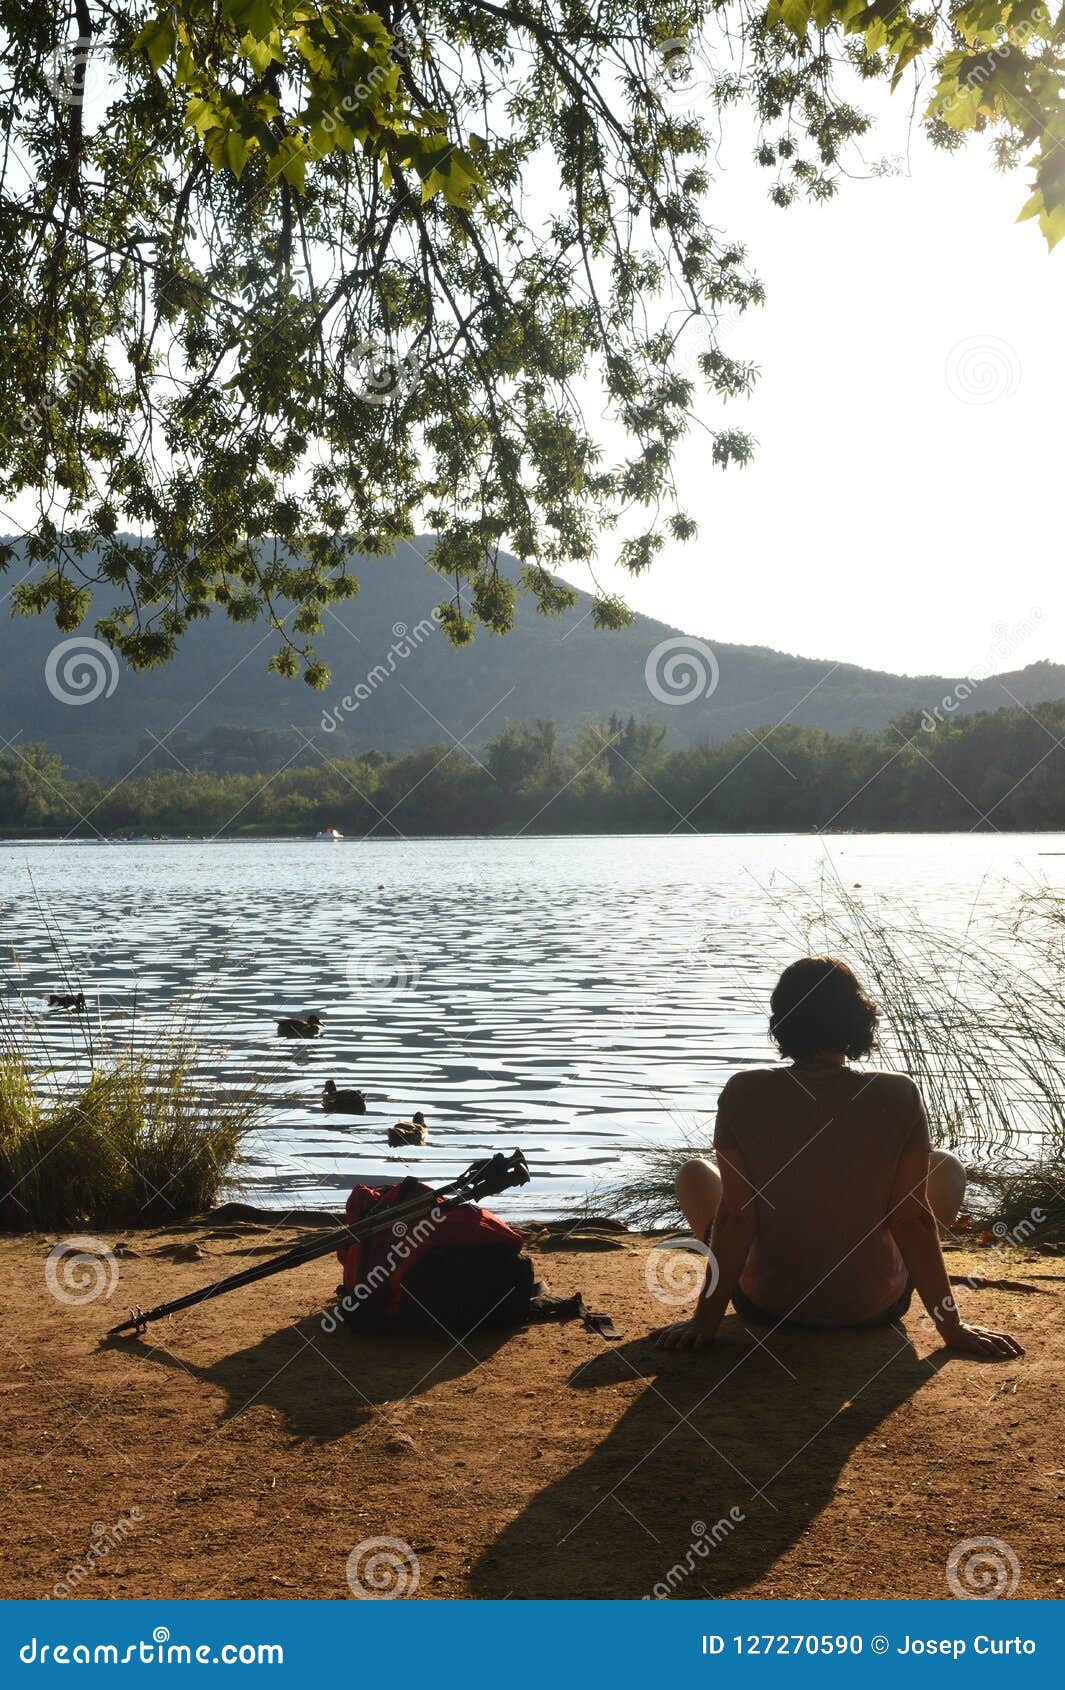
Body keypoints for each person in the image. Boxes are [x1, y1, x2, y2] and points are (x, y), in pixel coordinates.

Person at [654, 956, 1024, 1360]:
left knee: (694, 1173)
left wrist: (703, 1323)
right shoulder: (897, 1094)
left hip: (767, 1307)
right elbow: (911, 1218)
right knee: (947, 1166)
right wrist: (952, 1330)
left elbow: (737, 1218)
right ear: (858, 1019)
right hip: (871, 1309)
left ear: (782, 1021)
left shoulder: (743, 1092)